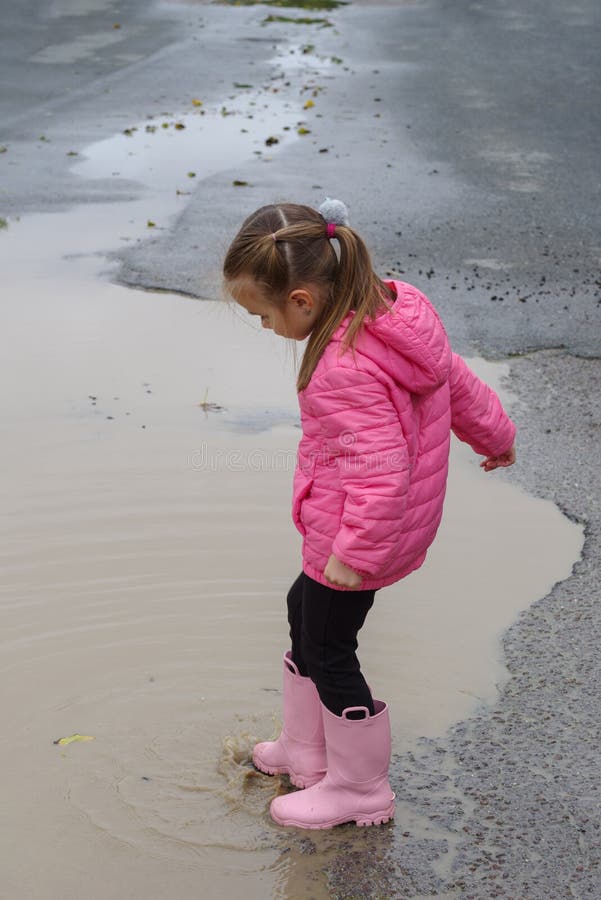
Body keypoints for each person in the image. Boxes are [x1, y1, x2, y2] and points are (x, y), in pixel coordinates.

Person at [222, 199, 516, 830]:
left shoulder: (341, 366)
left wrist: (353, 554)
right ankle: (305, 752)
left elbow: (381, 469)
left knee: (330, 647)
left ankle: (359, 788)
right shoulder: (392, 315)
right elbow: (453, 380)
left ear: (301, 300)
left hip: (357, 533)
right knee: (303, 614)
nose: (268, 328)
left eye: (264, 316)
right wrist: (495, 434)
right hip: (368, 525)